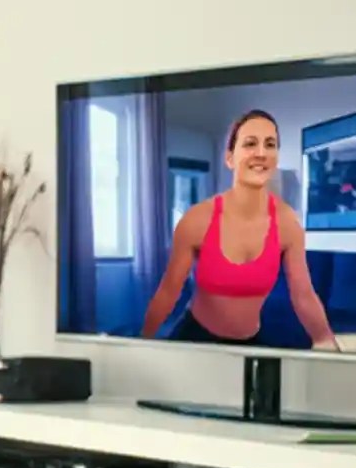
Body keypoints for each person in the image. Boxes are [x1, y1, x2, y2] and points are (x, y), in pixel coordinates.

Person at [141, 109, 337, 350]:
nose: (261, 153)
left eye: (270, 144)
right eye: (250, 144)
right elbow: (169, 291)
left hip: (250, 343)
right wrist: (144, 342)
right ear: (230, 158)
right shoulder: (197, 220)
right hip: (196, 338)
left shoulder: (288, 224)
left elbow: (304, 295)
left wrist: (325, 339)